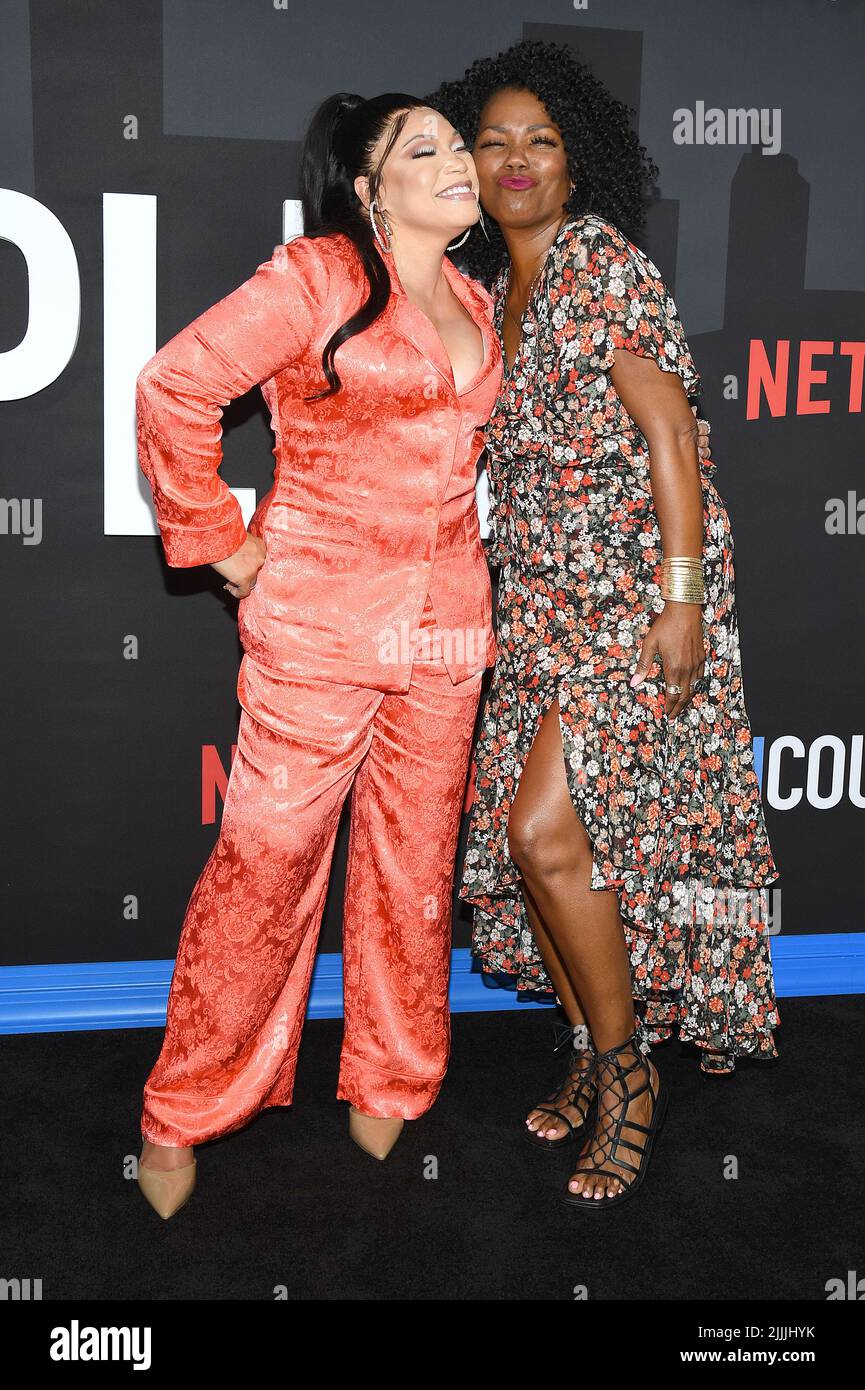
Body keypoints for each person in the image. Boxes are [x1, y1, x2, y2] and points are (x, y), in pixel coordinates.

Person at [133, 91, 504, 1217]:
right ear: (366, 187)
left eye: (457, 143)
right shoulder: (316, 280)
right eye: (422, 149)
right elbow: (174, 387)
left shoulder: (479, 300)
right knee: (265, 870)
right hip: (318, 633)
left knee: (411, 873)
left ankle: (392, 1075)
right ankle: (184, 1107)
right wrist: (225, 550)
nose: (456, 160)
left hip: (444, 635)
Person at [427, 39, 780, 1208]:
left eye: (542, 140)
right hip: (537, 607)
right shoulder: (489, 294)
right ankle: (588, 1049)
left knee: (543, 833)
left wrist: (680, 598)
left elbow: (674, 439)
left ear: (578, 167)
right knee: (554, 857)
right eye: (493, 141)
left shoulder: (599, 265)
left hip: (630, 594)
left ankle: (629, 1077)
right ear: (467, 166)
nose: (516, 159)